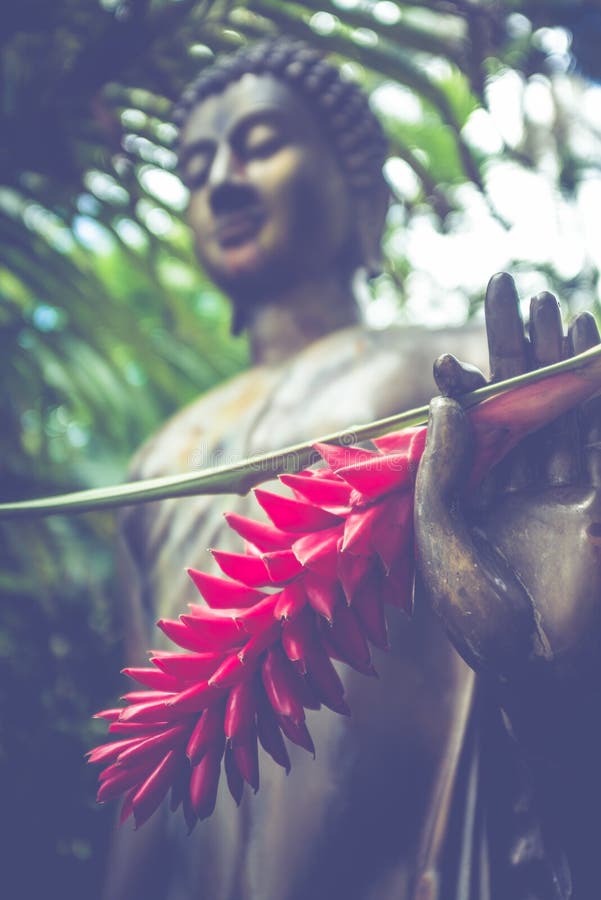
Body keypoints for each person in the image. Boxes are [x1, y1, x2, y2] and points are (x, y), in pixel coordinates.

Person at [104, 38, 600, 899]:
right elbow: (141, 794)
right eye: (194, 166)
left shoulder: (469, 373)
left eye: (260, 143)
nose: (220, 179)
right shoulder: (157, 461)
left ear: (360, 190)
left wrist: (555, 666)